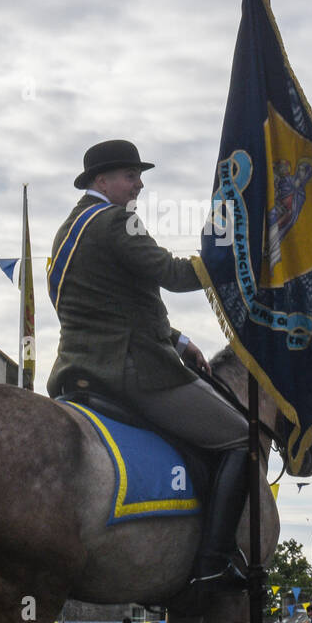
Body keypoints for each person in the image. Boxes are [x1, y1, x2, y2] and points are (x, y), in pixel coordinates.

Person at [47, 140, 252, 587]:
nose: (139, 184)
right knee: (241, 437)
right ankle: (212, 563)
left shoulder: (68, 230)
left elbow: (108, 304)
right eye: (130, 175)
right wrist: (233, 260)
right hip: (131, 371)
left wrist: (177, 338)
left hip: (74, 370)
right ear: (102, 181)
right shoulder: (117, 221)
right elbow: (175, 276)